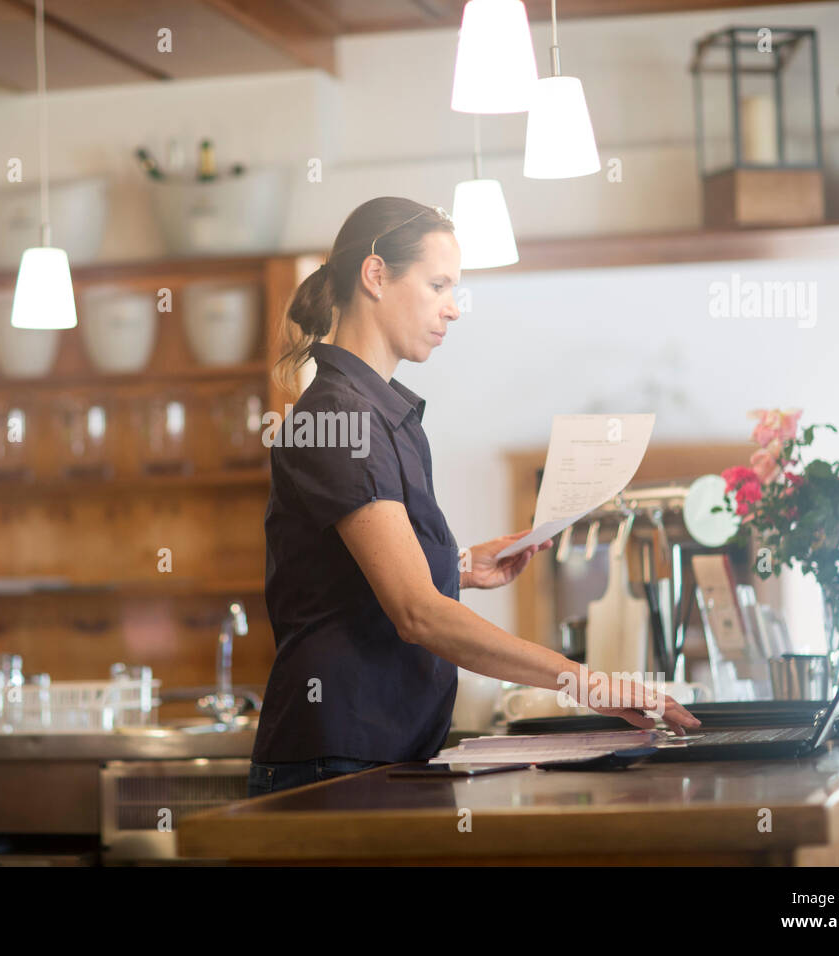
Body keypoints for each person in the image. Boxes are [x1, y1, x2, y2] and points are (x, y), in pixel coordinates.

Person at [246, 197, 699, 798]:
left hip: (382, 748)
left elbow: (354, 578)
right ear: (376, 275)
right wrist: (587, 683)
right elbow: (417, 612)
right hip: (337, 754)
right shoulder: (337, 416)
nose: (453, 309)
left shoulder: (382, 413)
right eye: (438, 285)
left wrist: (460, 567)